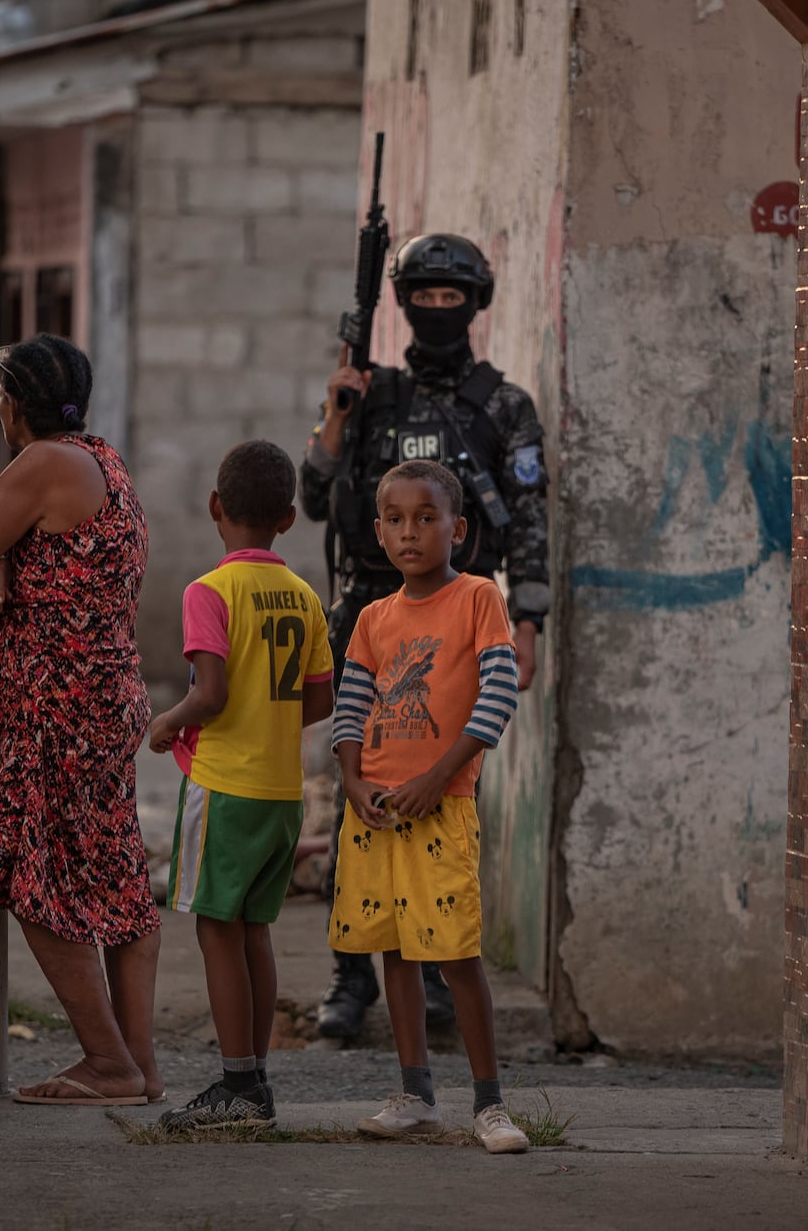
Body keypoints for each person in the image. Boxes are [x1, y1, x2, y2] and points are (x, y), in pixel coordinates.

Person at [299, 232, 551, 1039]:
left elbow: (533, 519)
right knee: (358, 796)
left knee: (446, 798)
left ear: (474, 306)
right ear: (401, 303)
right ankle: (352, 980)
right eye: (423, 297)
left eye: (452, 299)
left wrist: (529, 619)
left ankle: (441, 972)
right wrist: (336, 413)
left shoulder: (504, 406)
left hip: (456, 622)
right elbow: (312, 495)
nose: (436, 311)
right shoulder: (369, 394)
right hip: (369, 618)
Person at [0, 334, 164, 1106]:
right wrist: (7, 553)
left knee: (38, 881)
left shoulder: (41, 465)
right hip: (108, 700)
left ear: (12, 406)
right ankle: (142, 1069)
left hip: (58, 709)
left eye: (0, 395)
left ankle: (107, 1063)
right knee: (120, 880)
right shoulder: (102, 459)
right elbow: (14, 543)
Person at [329, 458, 529, 1154]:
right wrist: (353, 783)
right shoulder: (373, 618)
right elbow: (350, 708)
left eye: (425, 518)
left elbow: (497, 696)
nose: (409, 532)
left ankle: (490, 1105)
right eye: (395, 519)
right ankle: (414, 1095)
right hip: (376, 810)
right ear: (378, 532)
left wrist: (440, 778)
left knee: (457, 952)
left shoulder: (478, 598)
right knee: (394, 948)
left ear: (458, 529)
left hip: (441, 809)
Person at [147, 440, 334, 1131]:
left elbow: (212, 693)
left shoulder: (210, 591)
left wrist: (168, 721)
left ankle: (235, 1085)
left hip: (224, 786)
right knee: (255, 931)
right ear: (288, 519)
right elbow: (320, 701)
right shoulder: (306, 596)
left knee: (215, 930)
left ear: (214, 507)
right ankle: (254, 1082)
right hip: (282, 792)